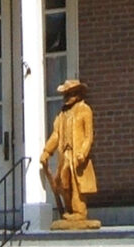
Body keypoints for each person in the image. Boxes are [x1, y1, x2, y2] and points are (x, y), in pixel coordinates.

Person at [42, 78, 99, 227]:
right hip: (65, 154)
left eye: (70, 93)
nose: (67, 97)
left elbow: (88, 136)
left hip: (77, 155)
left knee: (77, 182)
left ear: (78, 94)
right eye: (65, 94)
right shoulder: (62, 114)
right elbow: (56, 135)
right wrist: (47, 151)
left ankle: (79, 212)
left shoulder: (85, 110)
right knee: (63, 181)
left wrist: (83, 153)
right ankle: (69, 210)